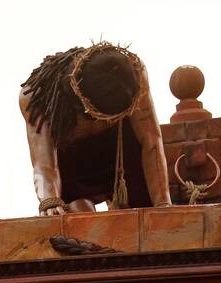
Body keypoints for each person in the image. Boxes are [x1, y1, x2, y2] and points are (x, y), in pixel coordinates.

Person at [20, 43, 170, 214]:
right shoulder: (36, 96)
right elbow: (44, 164)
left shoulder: (134, 74)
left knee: (145, 212)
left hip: (121, 153)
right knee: (79, 212)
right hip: (71, 163)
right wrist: (49, 201)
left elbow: (151, 140)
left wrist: (163, 204)